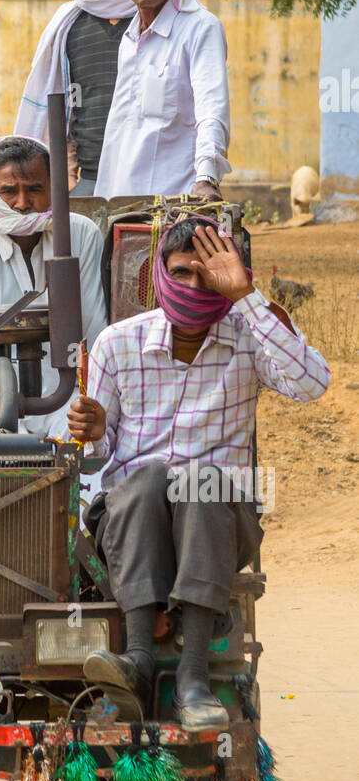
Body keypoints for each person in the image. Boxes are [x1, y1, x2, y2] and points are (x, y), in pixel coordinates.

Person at [67, 217, 330, 728]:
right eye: (182, 272)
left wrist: (247, 298)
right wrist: (98, 431)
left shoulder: (248, 338)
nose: (193, 286)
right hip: (132, 515)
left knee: (200, 480)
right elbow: (100, 464)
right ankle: (139, 658)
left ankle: (193, 678)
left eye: (207, 276)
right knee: (145, 479)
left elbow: (312, 383)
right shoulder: (117, 343)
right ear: (160, 274)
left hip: (217, 517)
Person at [0, 135, 107, 440]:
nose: (22, 203)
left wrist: (87, 406)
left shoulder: (81, 234)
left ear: (53, 189)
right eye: (9, 191)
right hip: (1, 411)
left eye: (34, 189)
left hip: (74, 403)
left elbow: (94, 333)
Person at [93, 0, 231, 201]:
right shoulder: (129, 39)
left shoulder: (200, 27)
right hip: (121, 197)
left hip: (176, 198)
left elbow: (212, 108)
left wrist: (207, 178)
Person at [15, 0, 136, 194]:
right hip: (90, 178)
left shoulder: (153, 17)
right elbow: (64, 107)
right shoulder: (68, 25)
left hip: (149, 174)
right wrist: (68, 178)